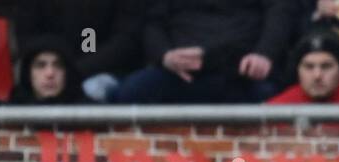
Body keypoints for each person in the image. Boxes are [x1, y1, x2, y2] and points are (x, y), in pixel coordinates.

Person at [113, 0, 295, 104]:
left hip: (239, 72)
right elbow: (153, 21)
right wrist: (164, 56)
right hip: (179, 73)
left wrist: (265, 53)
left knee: (270, 98)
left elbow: (280, 9)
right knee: (128, 93)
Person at [14, 0, 144, 103]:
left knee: (91, 89)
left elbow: (125, 40)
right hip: (53, 67)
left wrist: (74, 69)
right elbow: (27, 37)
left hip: (102, 72)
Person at [268, 28, 339, 104]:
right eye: (309, 67)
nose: (317, 75)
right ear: (297, 71)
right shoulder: (275, 111)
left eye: (326, 66)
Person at [8, 36, 86, 105]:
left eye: (58, 65)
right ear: (28, 73)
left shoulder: (88, 112)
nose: (50, 73)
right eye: (40, 65)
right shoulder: (6, 114)